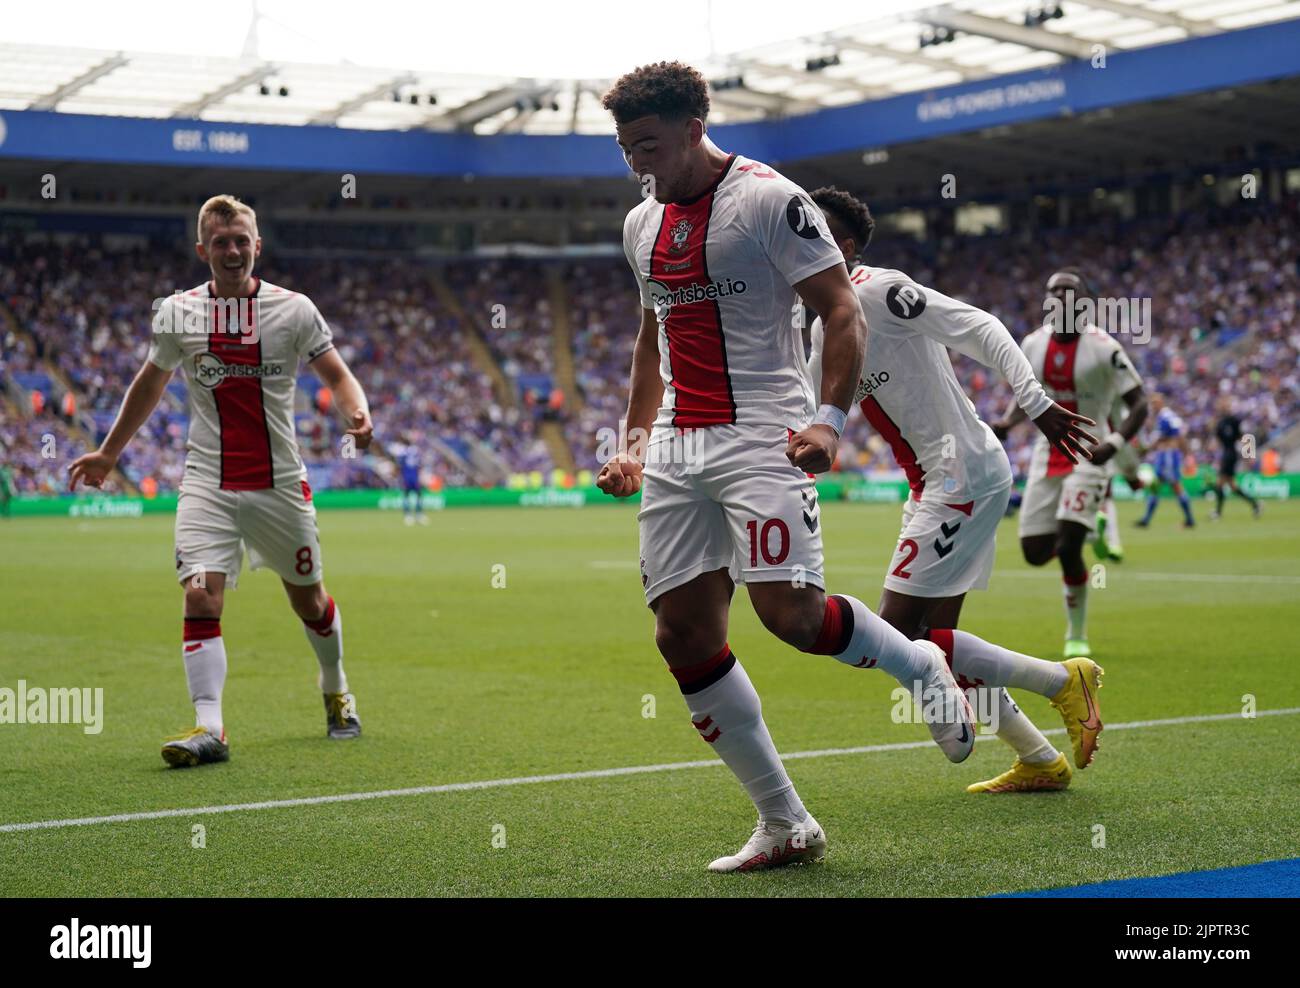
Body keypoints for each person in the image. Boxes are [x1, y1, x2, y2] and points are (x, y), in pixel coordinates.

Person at [596, 62, 973, 873]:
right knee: (681, 633)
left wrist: (828, 420)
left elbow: (840, 308)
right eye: (626, 148)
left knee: (792, 618)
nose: (638, 163)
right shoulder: (640, 224)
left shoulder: (771, 200)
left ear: (695, 127)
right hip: (676, 443)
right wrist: (630, 442)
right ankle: (785, 822)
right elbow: (649, 336)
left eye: (649, 145)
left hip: (762, 431)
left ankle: (921, 663)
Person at [805, 187, 1105, 794]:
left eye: (821, 230)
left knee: (897, 633)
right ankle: (1039, 757)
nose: (804, 240)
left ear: (848, 245)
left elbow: (982, 326)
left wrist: (1036, 401)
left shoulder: (875, 289)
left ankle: (1062, 680)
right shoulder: (817, 325)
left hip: (961, 474)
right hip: (936, 482)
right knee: (939, 647)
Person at [68, 194, 374, 766]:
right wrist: (109, 453)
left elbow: (339, 375)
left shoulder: (295, 310)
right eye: (220, 242)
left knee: (308, 602)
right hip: (206, 479)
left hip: (279, 482)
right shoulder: (178, 313)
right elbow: (149, 383)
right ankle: (210, 728)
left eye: (241, 241)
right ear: (201, 249)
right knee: (200, 594)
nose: (231, 251)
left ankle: (335, 689)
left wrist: (357, 413)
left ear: (257, 247)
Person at [994, 269, 1148, 659]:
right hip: (1049, 455)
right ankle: (1090, 526)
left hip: (1090, 454)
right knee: (1033, 551)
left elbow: (1140, 404)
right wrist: (1009, 423)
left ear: (1084, 302)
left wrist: (1113, 445)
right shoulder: (1031, 344)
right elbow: (1027, 394)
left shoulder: (1104, 347)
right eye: (1053, 292)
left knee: (1068, 546)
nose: (1060, 297)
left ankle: (1075, 634)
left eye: (1069, 291)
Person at [1135, 392, 1194, 529]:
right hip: (1163, 455)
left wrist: (1185, 454)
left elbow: (1178, 435)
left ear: (1162, 402)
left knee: (1176, 485)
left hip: (1169, 455)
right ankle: (1146, 519)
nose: (1153, 405)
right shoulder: (1162, 417)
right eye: (1152, 403)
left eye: (1155, 402)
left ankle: (1190, 519)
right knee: (1156, 486)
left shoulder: (1166, 416)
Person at [1210, 394, 1261, 520]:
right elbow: (1217, 440)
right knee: (1232, 486)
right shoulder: (1219, 423)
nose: (1223, 407)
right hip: (1226, 454)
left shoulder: (1234, 421)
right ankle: (1255, 504)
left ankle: (1218, 513)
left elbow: (1242, 437)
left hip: (1231, 454)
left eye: (1225, 404)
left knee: (1220, 484)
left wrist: (1248, 455)